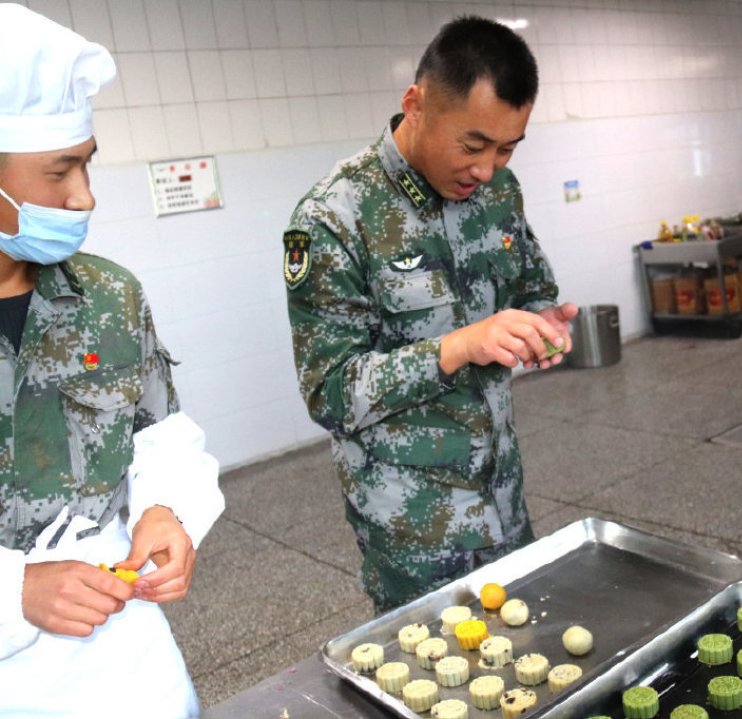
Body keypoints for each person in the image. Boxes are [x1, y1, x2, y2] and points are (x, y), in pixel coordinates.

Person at [284, 16, 576, 614]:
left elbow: (532, 286)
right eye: (472, 146)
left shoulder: (499, 192)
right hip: (411, 524)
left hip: (504, 496)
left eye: (507, 148)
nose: (486, 168)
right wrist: (460, 346)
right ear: (414, 104)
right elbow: (330, 392)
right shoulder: (335, 216)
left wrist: (544, 322)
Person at [0, 6, 224, 717]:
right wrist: (16, 591)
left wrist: (166, 508)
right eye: (59, 169)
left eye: (86, 162)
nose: (84, 194)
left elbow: (162, 436)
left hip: (130, 670)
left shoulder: (107, 295)